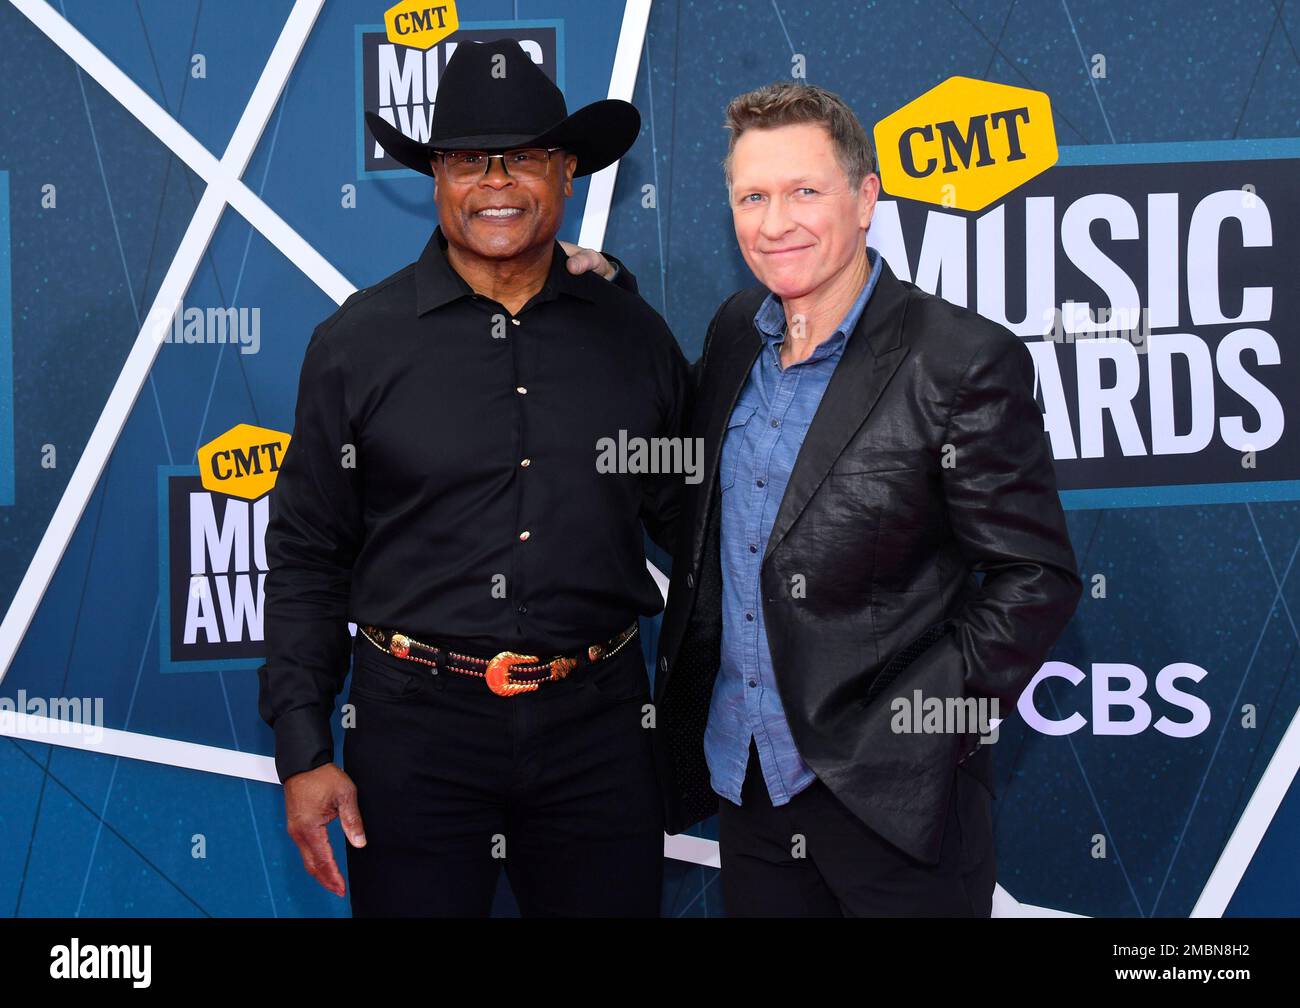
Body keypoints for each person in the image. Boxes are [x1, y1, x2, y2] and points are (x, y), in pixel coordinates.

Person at [574, 82, 1082, 916]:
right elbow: (698, 505)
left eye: (805, 191)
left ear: (866, 197)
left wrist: (910, 733)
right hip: (747, 786)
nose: (776, 223)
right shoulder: (738, 330)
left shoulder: (959, 360)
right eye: (753, 197)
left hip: (894, 805)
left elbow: (1037, 577)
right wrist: (605, 300)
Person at [256, 39, 690, 917]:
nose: (496, 182)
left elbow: (701, 527)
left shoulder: (633, 335)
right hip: (413, 737)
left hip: (600, 733)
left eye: (524, 156)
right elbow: (307, 556)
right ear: (436, 178)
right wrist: (304, 748)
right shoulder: (356, 345)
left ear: (566, 173)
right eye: (466, 161)